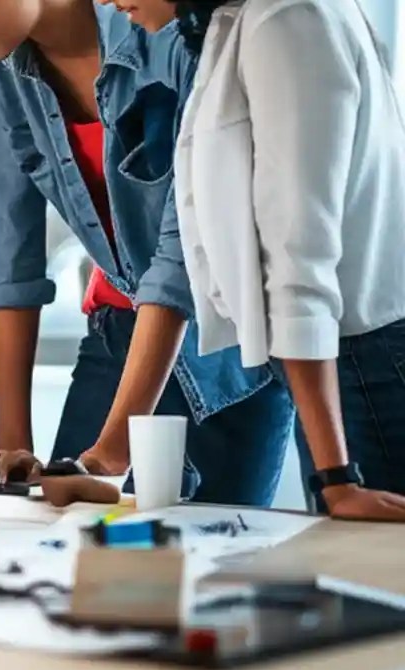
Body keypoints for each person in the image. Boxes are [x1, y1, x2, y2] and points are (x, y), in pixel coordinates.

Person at [0, 0, 294, 505]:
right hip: (119, 330)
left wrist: (113, 451)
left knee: (211, 554)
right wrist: (12, 442)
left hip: (229, 342)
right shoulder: (2, 75)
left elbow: (182, 254)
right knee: (65, 549)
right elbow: (13, 257)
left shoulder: (174, 36)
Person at [101, 0, 405, 521]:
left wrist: (335, 477)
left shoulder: (286, 19)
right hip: (340, 360)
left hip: (364, 361)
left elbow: (298, 259)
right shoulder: (236, 23)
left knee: (377, 586)